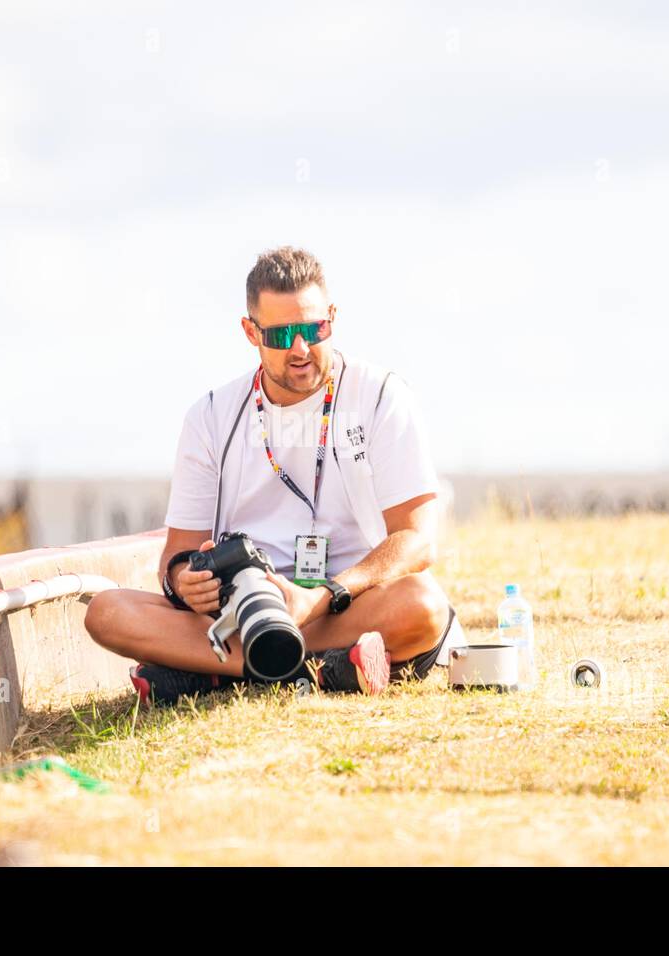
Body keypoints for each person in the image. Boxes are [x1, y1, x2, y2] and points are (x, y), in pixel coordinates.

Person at [84, 246, 465, 706]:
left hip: (348, 602)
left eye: (314, 329)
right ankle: (324, 671)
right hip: (242, 612)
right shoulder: (210, 416)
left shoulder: (381, 395)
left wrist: (321, 596)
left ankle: (220, 673)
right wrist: (185, 581)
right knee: (107, 613)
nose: (301, 349)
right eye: (283, 335)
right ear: (251, 331)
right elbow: (176, 555)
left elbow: (417, 540)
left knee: (422, 606)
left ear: (333, 318)